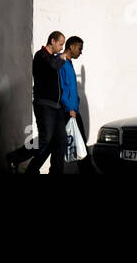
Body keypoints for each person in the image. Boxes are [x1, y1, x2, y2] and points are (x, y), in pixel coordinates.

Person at [18, 31, 69, 174]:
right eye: (60, 44)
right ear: (52, 41)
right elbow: (53, 66)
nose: (61, 48)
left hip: (57, 107)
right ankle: (18, 158)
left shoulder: (53, 58)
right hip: (44, 104)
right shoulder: (41, 56)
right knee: (45, 140)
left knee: (61, 141)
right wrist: (63, 58)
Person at [59, 36, 84, 173]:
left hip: (73, 110)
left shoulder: (69, 63)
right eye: (80, 48)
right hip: (68, 111)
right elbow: (62, 88)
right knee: (50, 144)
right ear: (72, 47)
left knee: (52, 144)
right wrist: (69, 108)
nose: (81, 52)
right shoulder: (62, 63)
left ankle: (16, 157)